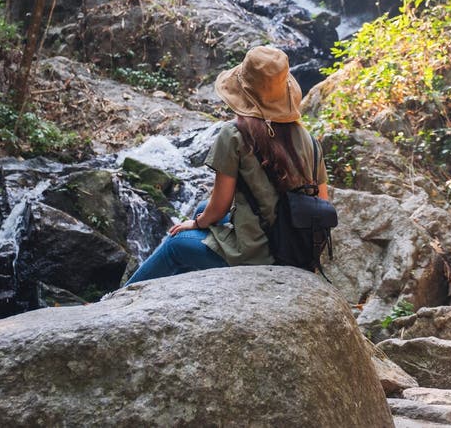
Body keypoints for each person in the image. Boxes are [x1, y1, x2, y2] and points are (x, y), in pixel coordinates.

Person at [125, 45, 329, 285]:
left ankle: (117, 302)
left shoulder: (234, 134)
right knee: (202, 206)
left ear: (244, 93)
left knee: (175, 245)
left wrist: (196, 224)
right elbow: (322, 202)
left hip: (260, 255)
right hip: (297, 249)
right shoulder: (309, 140)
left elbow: (219, 208)